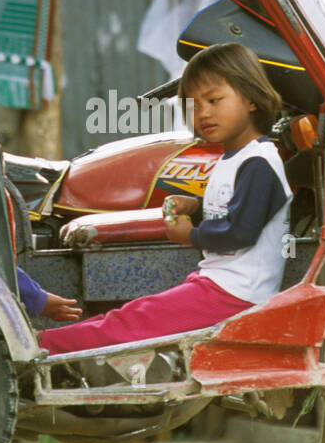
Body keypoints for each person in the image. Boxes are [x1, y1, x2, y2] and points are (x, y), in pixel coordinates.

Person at [38, 42, 291, 355]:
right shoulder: (233, 158)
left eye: (214, 100)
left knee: (130, 322)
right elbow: (232, 210)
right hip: (219, 285)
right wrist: (194, 209)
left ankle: (42, 347)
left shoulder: (259, 162)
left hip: (234, 293)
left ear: (251, 99)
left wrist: (191, 234)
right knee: (133, 315)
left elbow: (240, 232)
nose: (204, 113)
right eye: (193, 106)